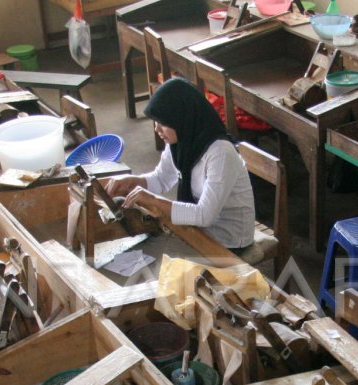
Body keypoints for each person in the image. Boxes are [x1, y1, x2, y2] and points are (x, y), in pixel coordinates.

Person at [106, 77, 256, 253]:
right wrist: (135, 181)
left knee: (162, 258)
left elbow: (204, 215)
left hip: (228, 239)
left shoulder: (221, 153)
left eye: (163, 123)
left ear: (183, 119)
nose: (157, 129)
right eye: (156, 122)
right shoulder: (181, 140)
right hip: (201, 229)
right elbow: (162, 179)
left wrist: (153, 200)